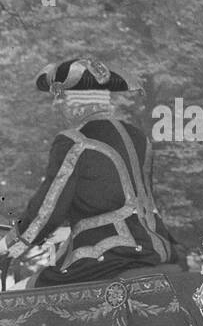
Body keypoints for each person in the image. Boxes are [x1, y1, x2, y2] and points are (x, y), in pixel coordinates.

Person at [0, 58, 182, 285]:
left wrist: (10, 243)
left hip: (104, 258)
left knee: (18, 292)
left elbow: (46, 212)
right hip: (155, 249)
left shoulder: (73, 141)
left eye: (61, 98)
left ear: (75, 104)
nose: (58, 106)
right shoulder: (139, 138)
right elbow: (125, 204)